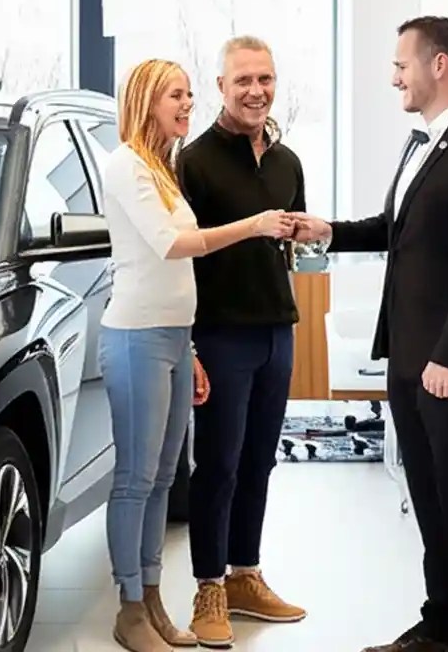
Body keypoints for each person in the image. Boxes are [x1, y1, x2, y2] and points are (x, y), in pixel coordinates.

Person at [291, 16, 448, 652]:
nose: (395, 75)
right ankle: (440, 621)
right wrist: (328, 230)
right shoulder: (421, 144)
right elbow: (395, 231)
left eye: (402, 64)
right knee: (430, 501)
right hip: (410, 361)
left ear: (438, 65)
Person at [97, 58, 295, 651]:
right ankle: (129, 606)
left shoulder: (159, 168)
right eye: (175, 96)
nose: (186, 105)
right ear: (145, 101)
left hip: (174, 338)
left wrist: (188, 345)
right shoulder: (126, 164)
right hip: (135, 336)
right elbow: (173, 245)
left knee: (162, 479)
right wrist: (253, 224)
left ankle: (154, 598)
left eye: (187, 95)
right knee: (135, 480)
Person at [175, 35, 308, 649]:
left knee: (260, 458)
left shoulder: (287, 163)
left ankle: (246, 574)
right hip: (220, 334)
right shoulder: (193, 161)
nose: (257, 91)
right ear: (222, 87)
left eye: (267, 79)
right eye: (244, 81)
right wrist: (192, 345)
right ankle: (209, 587)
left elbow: (291, 248)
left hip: (276, 331)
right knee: (219, 465)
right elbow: (182, 258)